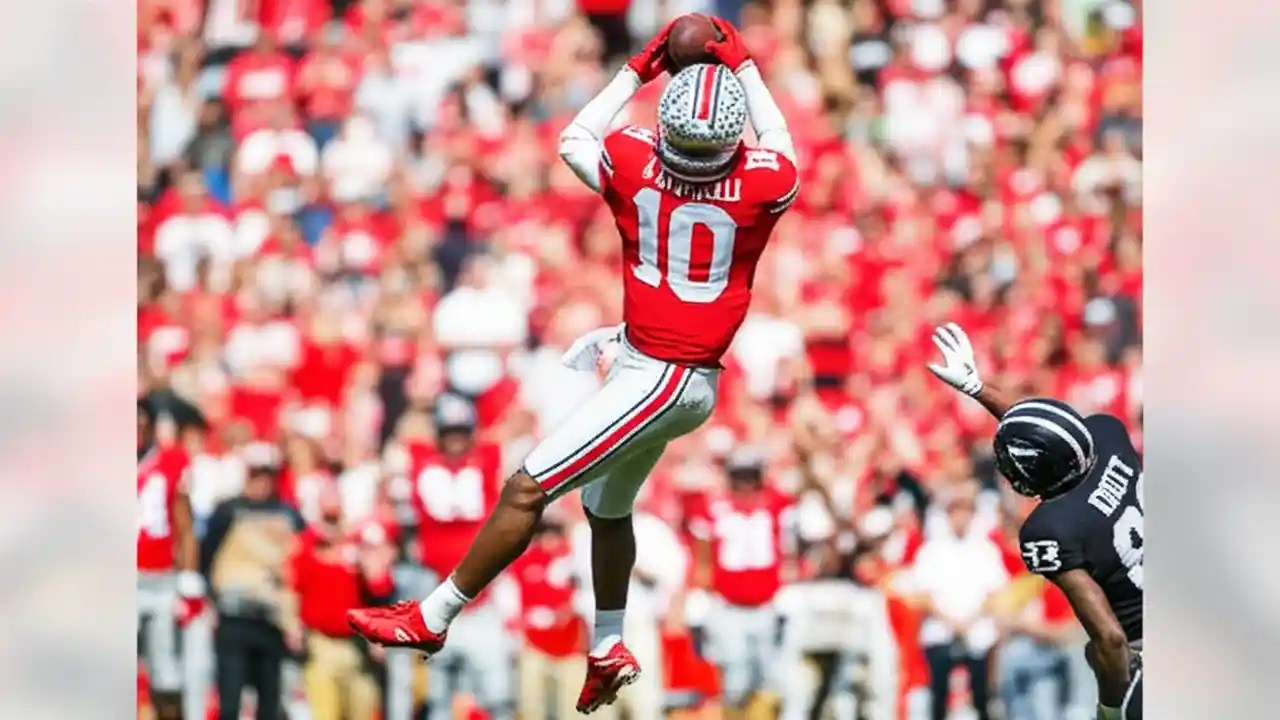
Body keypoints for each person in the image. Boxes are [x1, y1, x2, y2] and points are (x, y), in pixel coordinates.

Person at [345, 15, 800, 715]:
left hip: (662, 375)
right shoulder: (763, 182)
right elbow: (781, 144)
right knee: (604, 506)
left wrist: (638, 67)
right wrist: (743, 67)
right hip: (678, 372)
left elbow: (573, 136)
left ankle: (432, 615)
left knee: (527, 488)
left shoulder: (632, 159)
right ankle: (608, 644)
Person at [926, 322, 1144, 720]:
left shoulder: (1051, 529)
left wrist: (1112, 710)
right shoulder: (1109, 434)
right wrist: (978, 388)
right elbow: (1056, 434)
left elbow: (1110, 639)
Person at [687, 445, 795, 720]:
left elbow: (790, 552)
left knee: (771, 681)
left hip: (767, 605)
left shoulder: (776, 504)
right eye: (740, 475)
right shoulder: (714, 507)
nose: (746, 484)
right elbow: (702, 558)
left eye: (751, 476)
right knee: (734, 680)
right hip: (728, 606)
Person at [201, 453, 305, 720]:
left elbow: (298, 566)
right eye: (255, 475)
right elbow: (207, 558)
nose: (261, 482)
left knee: (269, 698)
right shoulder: (227, 512)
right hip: (233, 615)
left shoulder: (287, 513)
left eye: (266, 475)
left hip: (272, 617)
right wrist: (209, 602)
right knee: (230, 697)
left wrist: (293, 617)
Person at [137, 398, 205, 720]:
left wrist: (189, 581)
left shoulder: (171, 461)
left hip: (160, 579)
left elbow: (185, 524)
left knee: (166, 674)